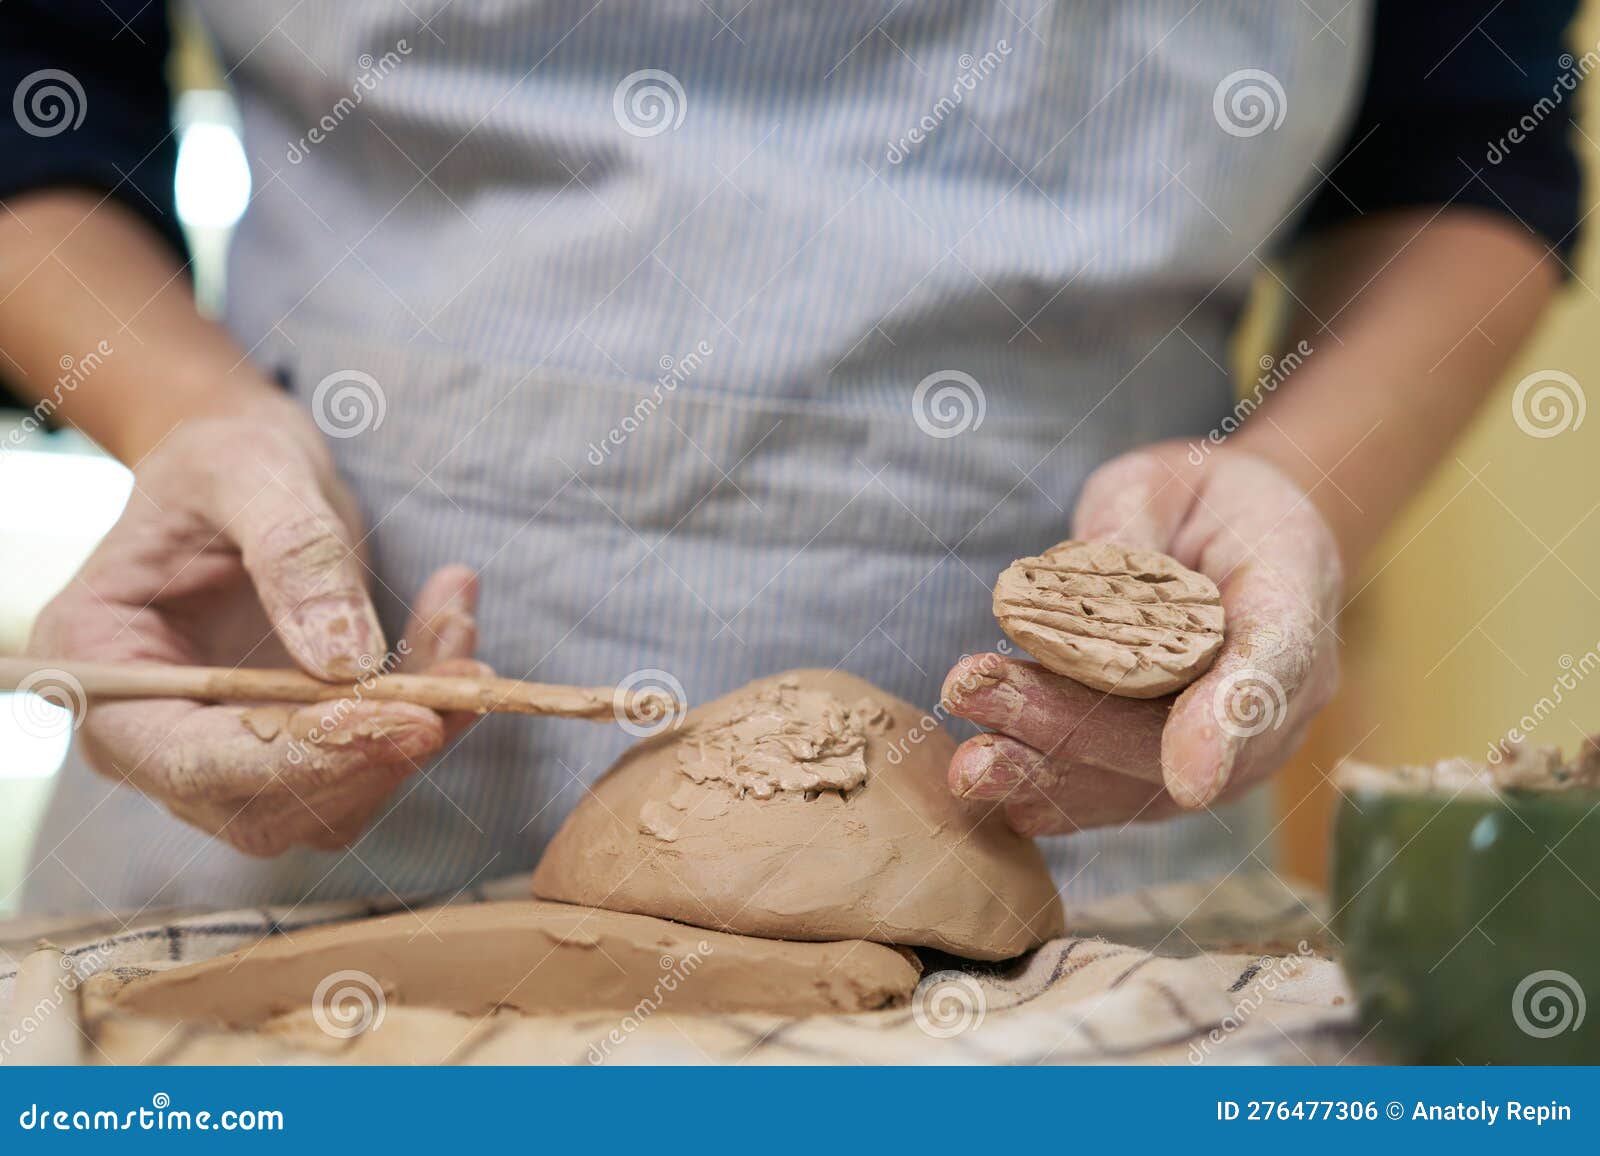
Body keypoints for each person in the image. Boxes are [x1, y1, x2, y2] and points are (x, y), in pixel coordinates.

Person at [1, 1, 1580, 914]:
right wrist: (181, 415)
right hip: (287, 776)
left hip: (1074, 839)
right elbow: (39, 104)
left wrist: (1302, 490)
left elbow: (1472, 152)